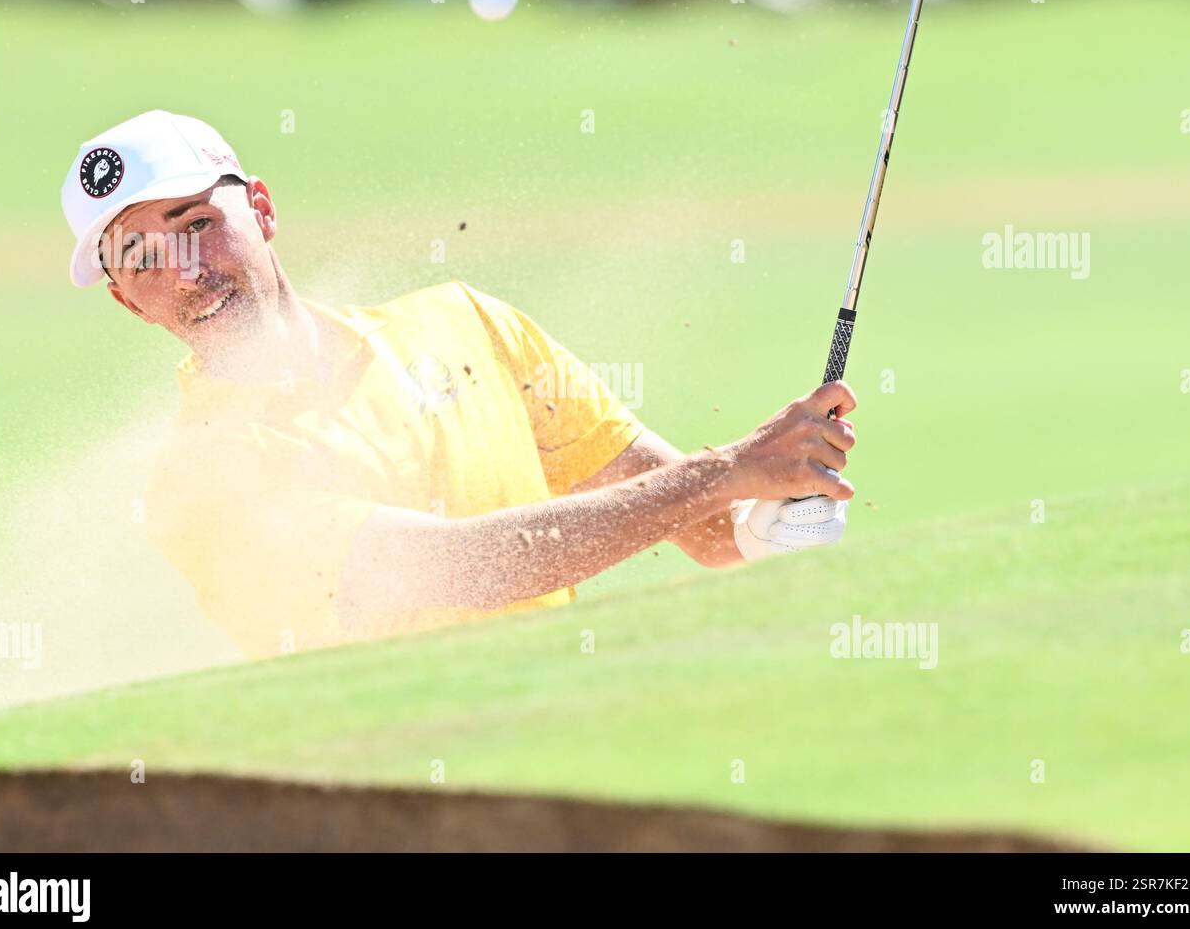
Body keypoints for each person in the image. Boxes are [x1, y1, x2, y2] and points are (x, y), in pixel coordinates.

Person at [60, 111, 856, 658]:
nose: (189, 271)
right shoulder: (198, 479)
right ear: (128, 300)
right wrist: (731, 469)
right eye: (142, 257)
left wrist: (776, 513)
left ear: (261, 209)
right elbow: (467, 569)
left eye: (198, 224)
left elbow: (710, 532)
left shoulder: (465, 324)